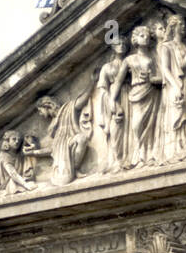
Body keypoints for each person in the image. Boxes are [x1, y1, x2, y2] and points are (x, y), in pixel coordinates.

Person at [111, 26, 162, 168]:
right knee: (136, 125)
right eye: (141, 35)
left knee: (151, 125)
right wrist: (112, 100)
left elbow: (162, 78)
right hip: (136, 93)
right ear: (135, 39)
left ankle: (149, 156)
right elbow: (118, 81)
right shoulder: (129, 59)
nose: (145, 37)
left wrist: (152, 79)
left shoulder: (153, 59)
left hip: (152, 93)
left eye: (147, 35)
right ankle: (138, 154)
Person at [28, 85, 94, 185]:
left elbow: (81, 101)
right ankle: (69, 171)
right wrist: (34, 152)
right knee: (63, 180)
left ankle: (75, 168)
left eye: (40, 110)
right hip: (61, 157)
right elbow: (53, 148)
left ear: (47, 106)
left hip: (71, 144)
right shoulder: (52, 128)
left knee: (82, 139)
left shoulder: (68, 108)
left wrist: (93, 83)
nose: (40, 114)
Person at [156, 13, 186, 162]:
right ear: (173, 27)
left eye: (185, 24)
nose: (184, 26)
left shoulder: (184, 46)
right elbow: (165, 69)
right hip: (175, 86)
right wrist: (175, 86)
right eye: (181, 24)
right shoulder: (166, 46)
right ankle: (174, 152)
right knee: (176, 118)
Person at [96, 39, 129, 172]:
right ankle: (116, 160)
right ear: (113, 47)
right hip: (114, 101)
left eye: (123, 43)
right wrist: (113, 104)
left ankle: (130, 158)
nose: (121, 45)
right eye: (117, 44)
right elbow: (103, 89)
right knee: (115, 132)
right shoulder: (107, 67)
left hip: (131, 97)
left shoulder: (131, 62)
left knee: (130, 129)